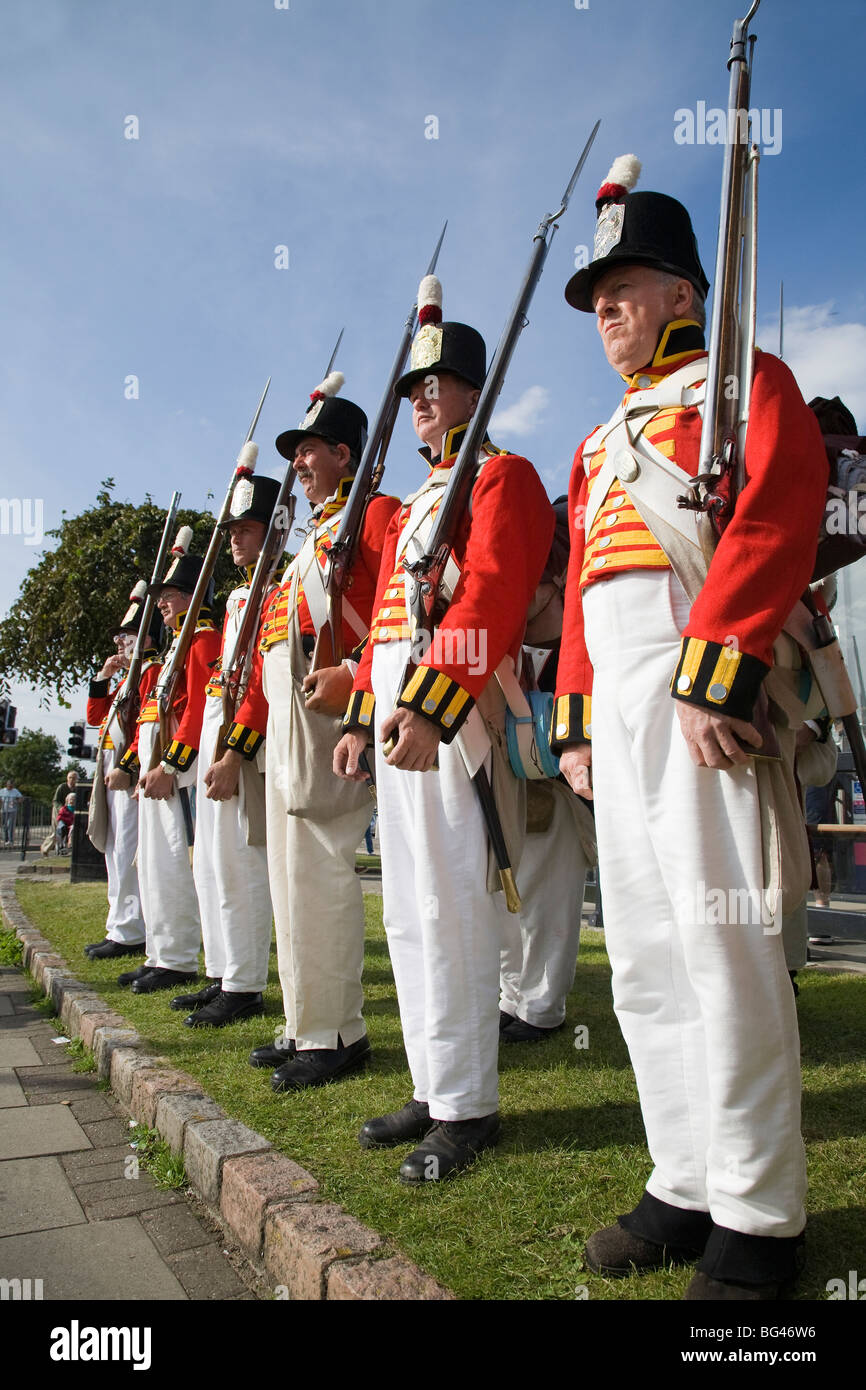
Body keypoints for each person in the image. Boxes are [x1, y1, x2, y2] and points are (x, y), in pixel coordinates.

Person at [552, 156, 828, 1298]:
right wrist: (571, 726)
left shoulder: (739, 381)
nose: (605, 307)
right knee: (646, 961)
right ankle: (683, 1176)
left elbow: (777, 508)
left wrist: (716, 672)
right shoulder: (593, 438)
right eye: (597, 292)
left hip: (690, 681)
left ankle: (759, 1211)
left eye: (624, 283)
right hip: (613, 704)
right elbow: (575, 594)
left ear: (681, 290)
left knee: (721, 944)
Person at [335, 277, 554, 1180]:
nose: (422, 398)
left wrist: (430, 705)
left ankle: (467, 1106)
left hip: (446, 723)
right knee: (409, 915)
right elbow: (390, 619)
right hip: (397, 716)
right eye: (414, 388)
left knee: (452, 911)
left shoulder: (503, 477)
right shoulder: (422, 498)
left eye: (438, 383)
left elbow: (493, 598)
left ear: (476, 389)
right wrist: (360, 713)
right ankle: (433, 1084)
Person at [234, 374, 399, 1088]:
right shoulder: (314, 538)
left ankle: (335, 1033)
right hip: (289, 712)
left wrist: (359, 677)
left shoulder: (377, 513)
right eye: (295, 454)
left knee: (322, 864)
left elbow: (401, 610)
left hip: (330, 707)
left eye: (308, 451)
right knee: (290, 871)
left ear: (344, 453)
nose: (297, 464)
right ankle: (307, 1023)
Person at [175, 474, 280, 1027]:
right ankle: (220, 972)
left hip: (245, 739)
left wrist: (235, 752)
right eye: (233, 530)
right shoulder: (242, 593)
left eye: (247, 528)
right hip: (221, 726)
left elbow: (263, 680)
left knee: (240, 865)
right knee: (213, 865)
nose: (236, 539)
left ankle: (243, 984)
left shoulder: (276, 587)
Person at [112, 533, 221, 994]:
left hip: (181, 769)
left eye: (170, 596)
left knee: (179, 864)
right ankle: (161, 953)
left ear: (194, 595)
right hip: (159, 767)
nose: (161, 605)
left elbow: (196, 709)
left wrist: (171, 766)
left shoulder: (202, 639)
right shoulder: (177, 645)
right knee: (153, 865)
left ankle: (178, 957)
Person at [83, 585, 163, 959]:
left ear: (145, 638)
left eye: (126, 637)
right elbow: (95, 719)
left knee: (128, 853)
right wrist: (103, 674)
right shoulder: (125, 679)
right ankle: (119, 924)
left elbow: (147, 727)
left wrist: (127, 767)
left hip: (127, 776)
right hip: (112, 775)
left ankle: (132, 930)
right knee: (115, 854)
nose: (119, 644)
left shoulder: (150, 672)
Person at [1, 780, 23, 846]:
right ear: (6, 785)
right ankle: (6, 840)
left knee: (10, 825)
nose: (10, 787)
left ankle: (10, 840)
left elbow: (21, 798)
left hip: (12, 810)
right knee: (4, 826)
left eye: (11, 785)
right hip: (4, 810)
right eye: (9, 785)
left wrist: (15, 801)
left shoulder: (15, 791)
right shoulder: (2, 791)